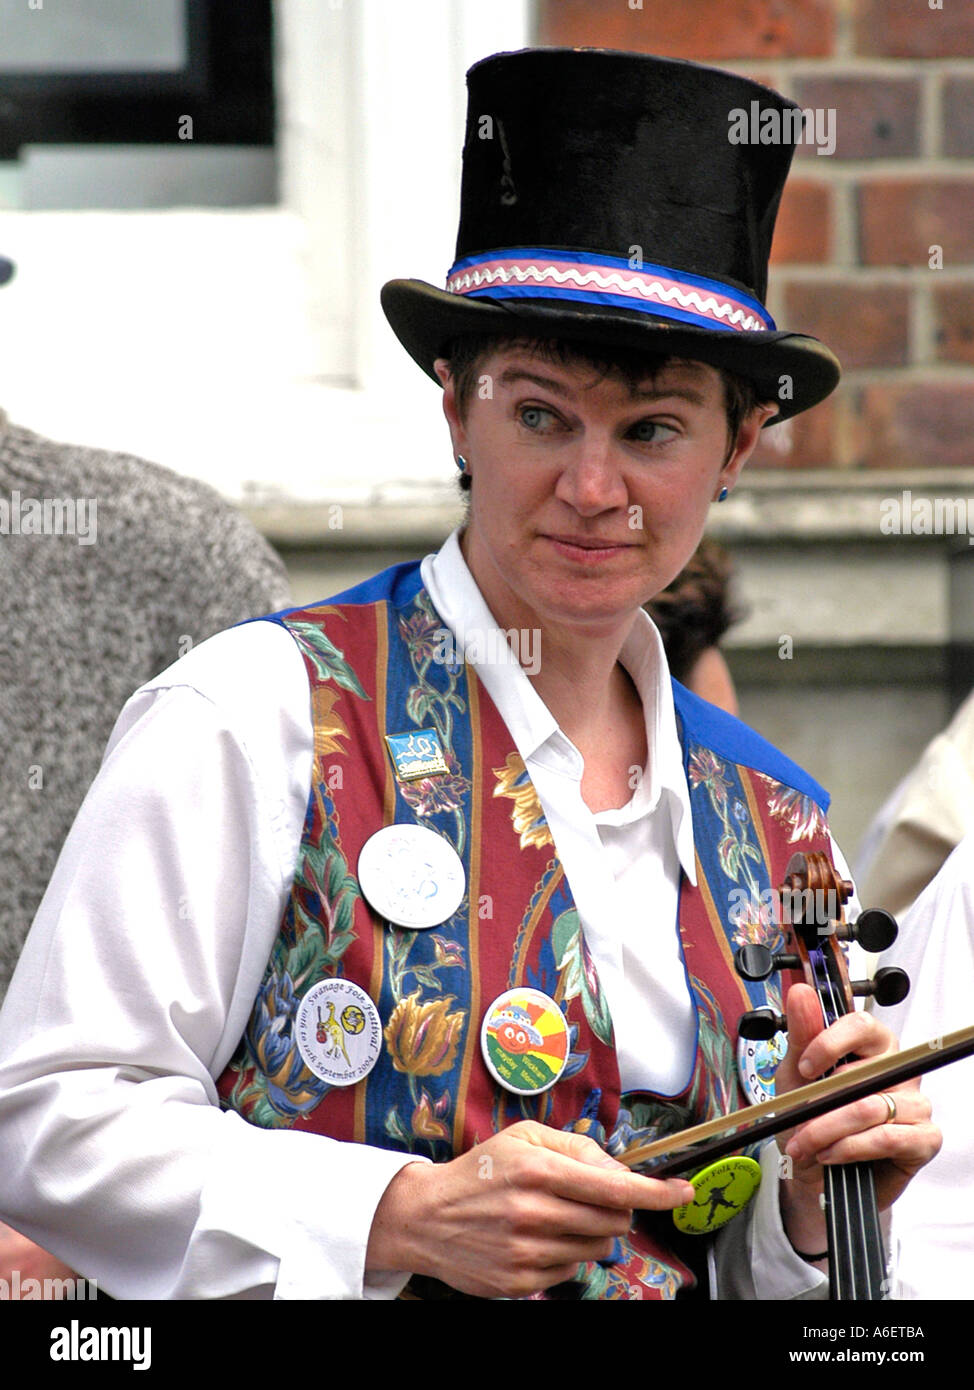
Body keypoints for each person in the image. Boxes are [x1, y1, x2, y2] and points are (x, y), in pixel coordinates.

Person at [0, 48, 940, 1301]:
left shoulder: (776, 823)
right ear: (455, 411)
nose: (592, 489)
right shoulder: (256, 714)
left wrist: (805, 1222)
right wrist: (389, 1214)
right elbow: (51, 1116)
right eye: (539, 415)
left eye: (651, 429)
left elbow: (723, 1264)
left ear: (738, 448)